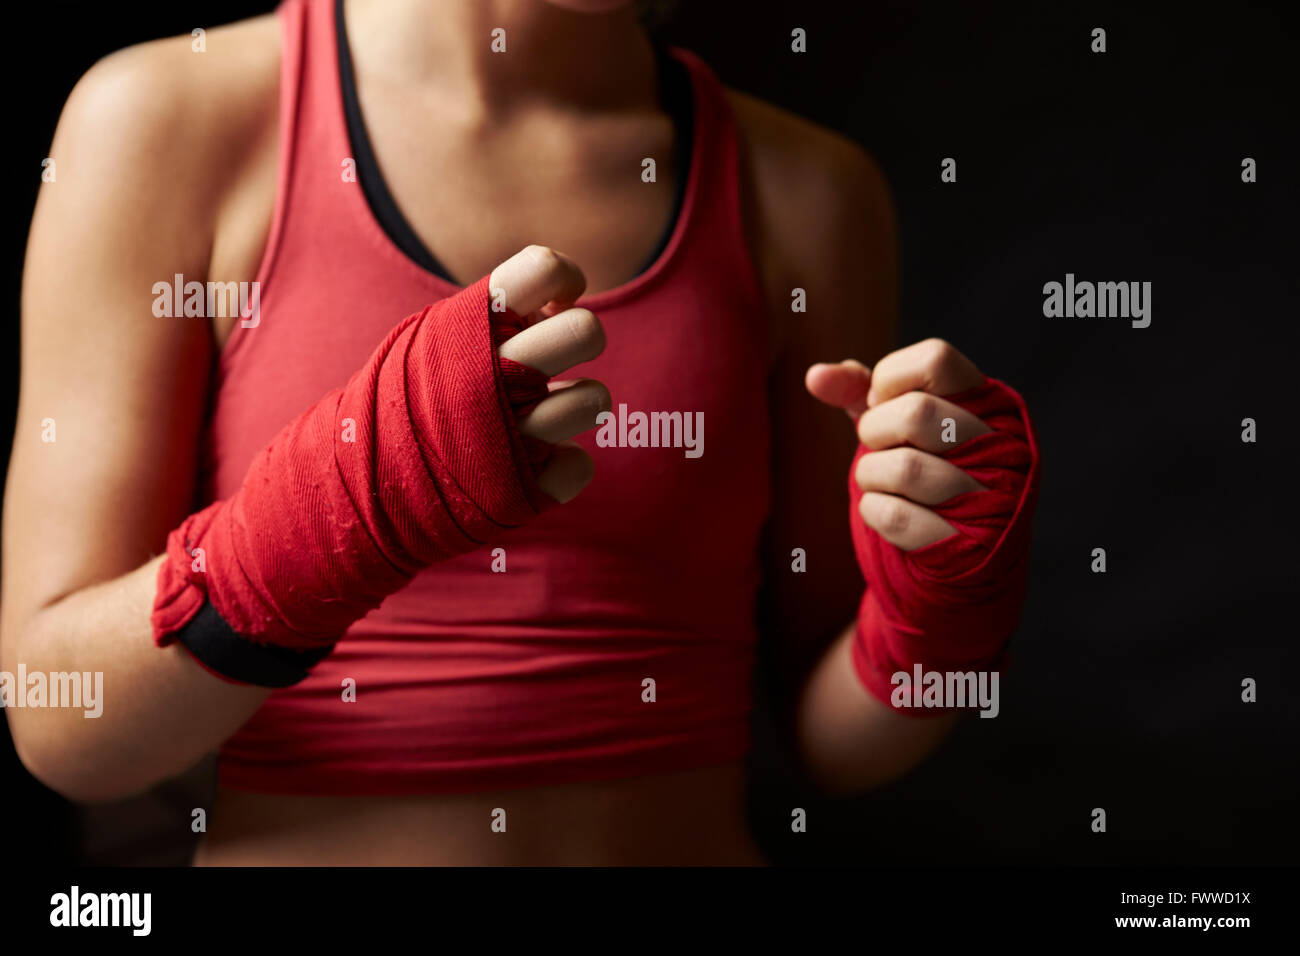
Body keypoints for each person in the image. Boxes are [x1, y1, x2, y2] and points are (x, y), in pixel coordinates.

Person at [2, 0, 1038, 865]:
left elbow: (830, 742)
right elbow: (65, 724)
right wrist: (337, 515)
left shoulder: (809, 190)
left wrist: (939, 611)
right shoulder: (168, 117)